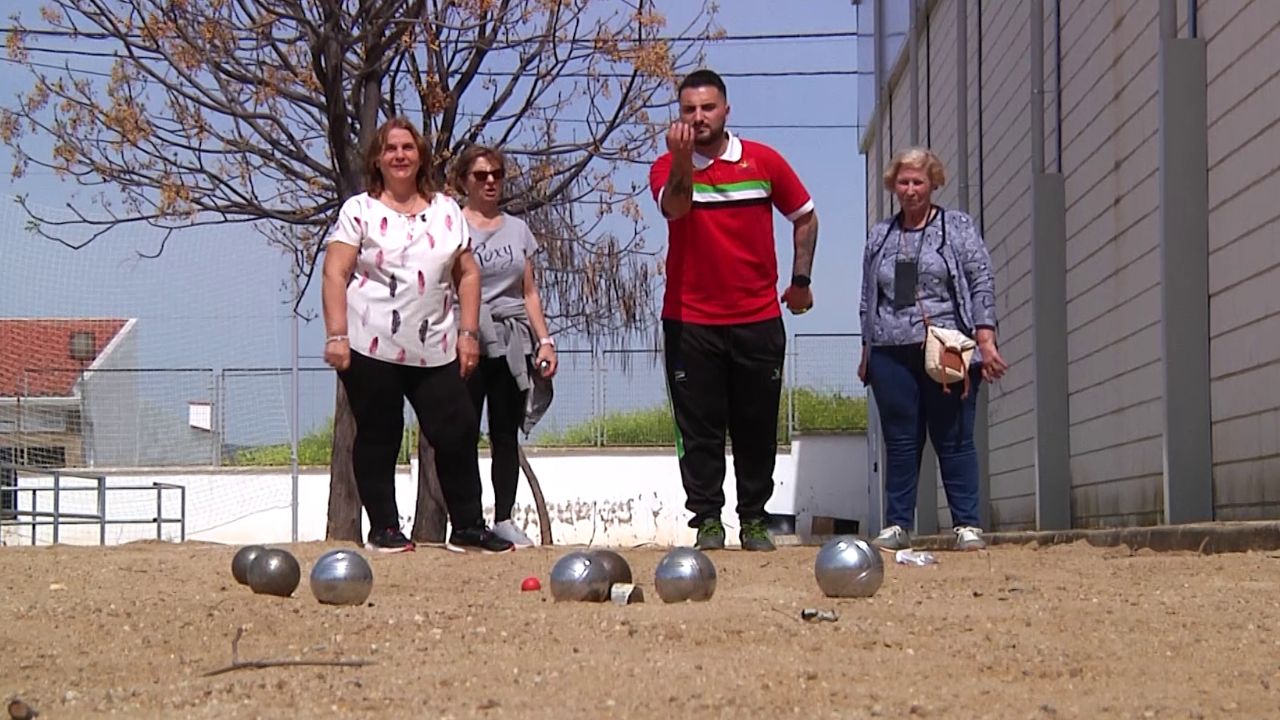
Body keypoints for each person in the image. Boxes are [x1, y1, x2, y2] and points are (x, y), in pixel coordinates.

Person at [321, 117, 513, 554]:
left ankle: (468, 526)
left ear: (420, 156)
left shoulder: (446, 211)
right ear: (377, 159)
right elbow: (335, 272)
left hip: (436, 347)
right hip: (371, 343)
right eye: (390, 148)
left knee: (457, 429)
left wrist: (468, 333)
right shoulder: (359, 211)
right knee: (379, 432)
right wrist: (336, 335)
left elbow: (467, 275)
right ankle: (384, 528)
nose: (400, 155)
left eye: (408, 147)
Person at [649, 69, 819, 552]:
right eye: (689, 110)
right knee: (698, 429)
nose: (698, 117)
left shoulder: (763, 161)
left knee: (756, 426)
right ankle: (707, 520)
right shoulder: (666, 167)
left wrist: (800, 281)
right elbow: (676, 209)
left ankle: (754, 520)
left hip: (757, 319)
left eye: (708, 108)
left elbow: (806, 216)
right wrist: (683, 161)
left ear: (726, 110)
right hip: (690, 321)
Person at [858, 147, 1009, 552]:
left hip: (946, 345)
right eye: (903, 182)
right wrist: (866, 349)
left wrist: (985, 336)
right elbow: (868, 295)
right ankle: (897, 523)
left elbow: (980, 279)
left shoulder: (956, 226)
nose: (910, 190)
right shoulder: (880, 235)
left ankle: (966, 523)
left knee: (954, 437)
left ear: (933, 183)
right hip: (890, 348)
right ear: (893, 186)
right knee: (901, 441)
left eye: (918, 182)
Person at [451, 144, 557, 548]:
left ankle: (504, 519)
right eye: (481, 175)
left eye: (497, 174)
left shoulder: (517, 230)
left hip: (512, 340)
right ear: (464, 181)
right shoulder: (452, 226)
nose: (490, 182)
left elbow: (528, 291)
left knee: (505, 434)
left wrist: (544, 341)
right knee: (461, 432)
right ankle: (466, 521)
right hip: (467, 338)